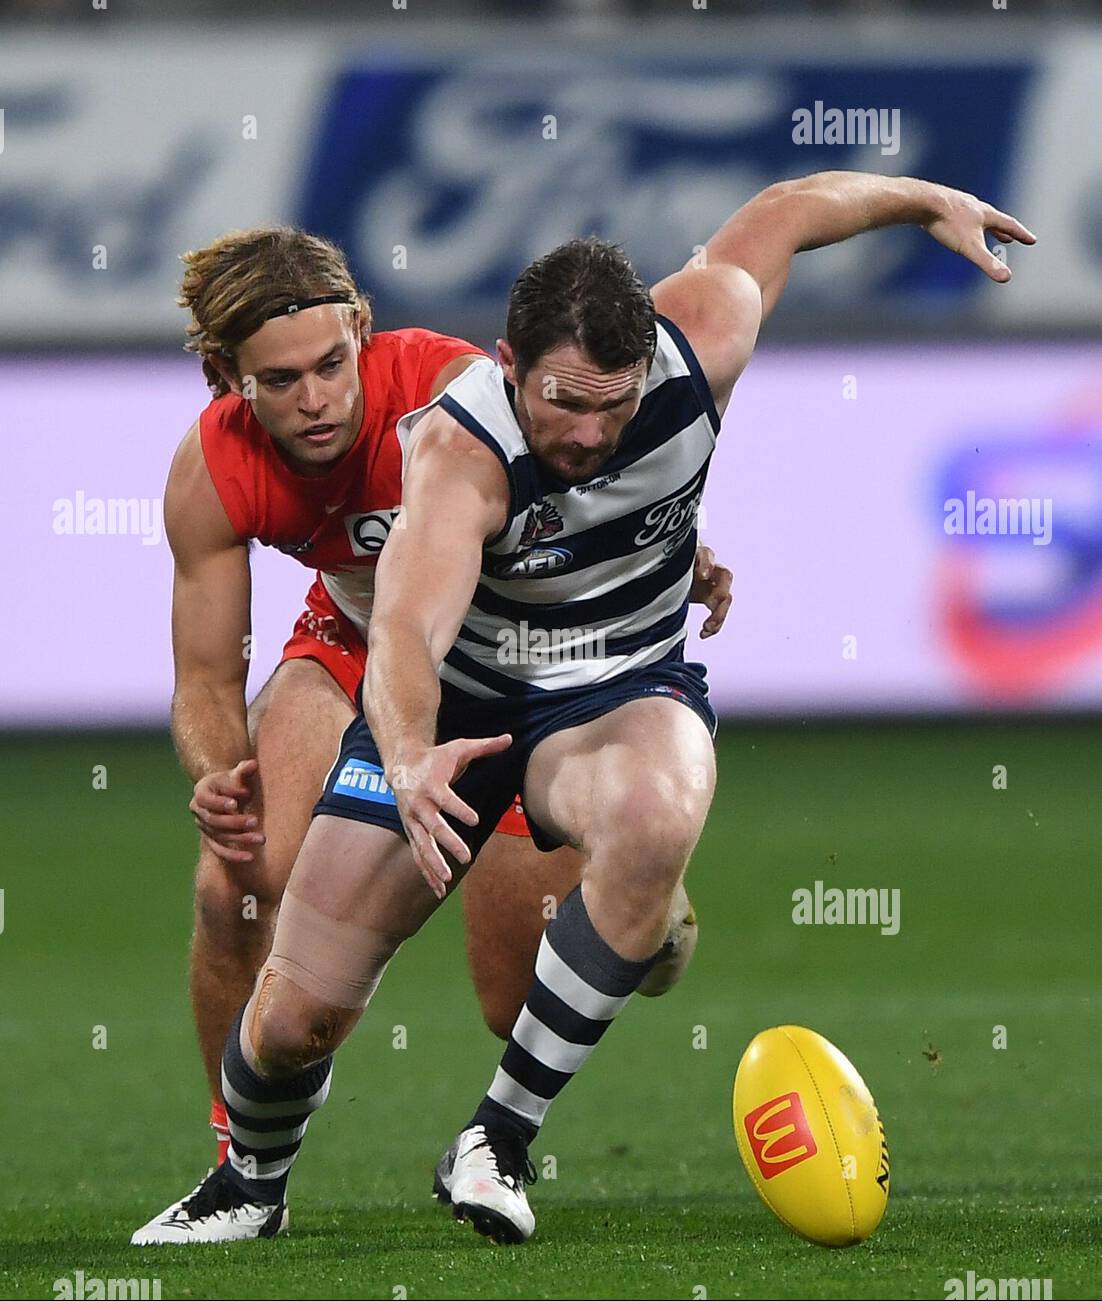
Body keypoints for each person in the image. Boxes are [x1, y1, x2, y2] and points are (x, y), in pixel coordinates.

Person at [133, 171, 1033, 1246]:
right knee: (283, 989)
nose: (590, 434)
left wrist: (926, 201)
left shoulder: (688, 341)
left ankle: (501, 1130)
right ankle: (245, 1175)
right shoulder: (444, 446)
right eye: (563, 404)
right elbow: (403, 631)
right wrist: (393, 757)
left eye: (616, 404)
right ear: (511, 370)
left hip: (608, 685)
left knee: (609, 868)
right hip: (438, 681)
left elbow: (788, 211)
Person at [163, 228, 726, 1180]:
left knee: (513, 999)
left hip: (492, 667)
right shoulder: (211, 472)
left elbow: (592, 475)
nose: (316, 400)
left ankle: (645, 897)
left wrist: (681, 557)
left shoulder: (451, 392)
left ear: (361, 329)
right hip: (349, 646)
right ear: (227, 378)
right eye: (282, 380)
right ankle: (240, 1163)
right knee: (238, 875)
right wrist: (219, 769)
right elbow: (207, 681)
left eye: (331, 365)